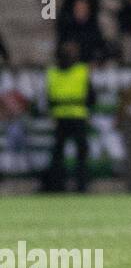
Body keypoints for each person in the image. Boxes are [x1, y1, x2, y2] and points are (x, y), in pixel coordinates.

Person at [45, 41, 94, 193]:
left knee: (59, 154)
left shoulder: (52, 72)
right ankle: (81, 186)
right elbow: (92, 96)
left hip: (61, 118)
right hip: (77, 116)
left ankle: (57, 186)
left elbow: (49, 98)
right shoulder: (81, 71)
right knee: (80, 154)